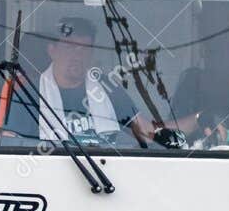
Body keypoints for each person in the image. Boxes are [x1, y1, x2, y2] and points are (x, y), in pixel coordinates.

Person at [35, 18, 150, 146]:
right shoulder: (33, 90)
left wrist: (174, 129)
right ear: (52, 51)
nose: (78, 56)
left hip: (105, 165)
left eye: (84, 48)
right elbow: (14, 142)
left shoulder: (106, 85)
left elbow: (146, 133)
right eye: (70, 47)